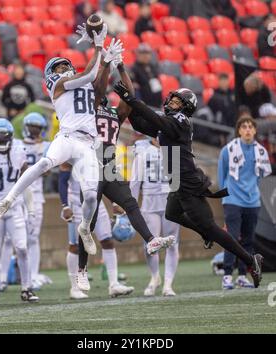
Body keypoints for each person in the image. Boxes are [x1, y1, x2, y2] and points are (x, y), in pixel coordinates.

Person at [114, 82, 265, 288]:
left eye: (177, 102)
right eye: (172, 99)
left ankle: (250, 260)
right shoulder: (170, 121)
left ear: (185, 108)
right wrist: (128, 106)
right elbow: (142, 124)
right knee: (172, 214)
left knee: (211, 227)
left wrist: (132, 99)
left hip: (187, 182)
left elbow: (156, 119)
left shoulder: (181, 120)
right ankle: (206, 233)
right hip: (177, 180)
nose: (172, 103)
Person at [0, 26, 123, 257]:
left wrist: (108, 63)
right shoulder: (57, 85)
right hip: (67, 137)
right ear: (51, 74)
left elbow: (99, 87)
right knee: (44, 164)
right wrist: (99, 46)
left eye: (65, 66)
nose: (63, 69)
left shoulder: (82, 84)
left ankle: (84, 227)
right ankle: (8, 199)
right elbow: (89, 75)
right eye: (58, 67)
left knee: (91, 195)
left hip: (87, 144)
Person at [58, 46, 175, 291]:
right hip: (90, 164)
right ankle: (81, 271)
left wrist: (121, 66)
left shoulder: (114, 112)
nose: (103, 94)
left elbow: (129, 99)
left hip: (108, 163)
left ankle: (151, 240)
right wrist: (107, 64)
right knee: (87, 224)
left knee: (130, 203)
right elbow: (99, 87)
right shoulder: (87, 110)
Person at [0, 118, 38, 305]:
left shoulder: (19, 153)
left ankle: (27, 288)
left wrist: (31, 211)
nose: (2, 140)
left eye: (5, 137)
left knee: (22, 248)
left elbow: (26, 184)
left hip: (15, 209)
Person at [59, 162, 134, 298]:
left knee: (107, 241)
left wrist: (114, 202)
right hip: (76, 203)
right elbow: (63, 180)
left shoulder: (97, 149)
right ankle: (74, 288)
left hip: (96, 202)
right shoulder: (71, 148)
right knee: (75, 245)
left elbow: (107, 179)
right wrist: (65, 205)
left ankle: (114, 284)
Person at [218, 116, 271, 289]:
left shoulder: (261, 151)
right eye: (244, 127)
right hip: (232, 199)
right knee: (231, 239)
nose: (247, 129)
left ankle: (242, 275)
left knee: (248, 240)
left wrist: (252, 191)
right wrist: (224, 197)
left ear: (255, 130)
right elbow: (222, 174)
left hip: (252, 202)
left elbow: (261, 175)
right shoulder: (228, 149)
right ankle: (227, 275)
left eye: (250, 127)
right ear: (239, 130)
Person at [0, 113, 49, 291]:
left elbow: (49, 171)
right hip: (18, 194)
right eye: (32, 126)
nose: (35, 130)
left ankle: (33, 276)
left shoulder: (46, 146)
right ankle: (2, 277)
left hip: (36, 196)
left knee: (33, 238)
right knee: (7, 238)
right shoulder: (16, 144)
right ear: (27, 127)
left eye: (37, 127)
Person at [130, 136, 180, 296]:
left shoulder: (174, 151)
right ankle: (155, 277)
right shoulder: (142, 152)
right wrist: (128, 206)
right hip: (150, 202)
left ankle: (168, 284)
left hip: (170, 202)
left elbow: (181, 181)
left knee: (172, 243)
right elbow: (135, 182)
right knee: (150, 245)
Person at [131, 43, 162, 109]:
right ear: (138, 54)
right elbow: (133, 85)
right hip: (144, 103)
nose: (146, 56)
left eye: (148, 53)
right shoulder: (134, 68)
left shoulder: (152, 67)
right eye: (143, 53)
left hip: (156, 101)